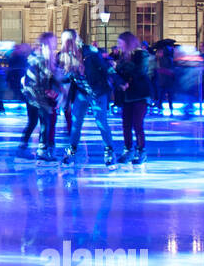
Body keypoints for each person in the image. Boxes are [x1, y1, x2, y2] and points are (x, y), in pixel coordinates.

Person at [59, 30, 117, 167]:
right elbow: (66, 78)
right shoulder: (66, 56)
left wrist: (119, 81)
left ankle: (109, 151)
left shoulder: (90, 52)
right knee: (76, 122)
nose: (66, 45)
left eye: (68, 41)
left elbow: (106, 67)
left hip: (98, 92)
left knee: (101, 122)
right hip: (81, 93)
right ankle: (71, 152)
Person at [21, 33, 60, 162]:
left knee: (34, 122)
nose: (55, 44)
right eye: (53, 42)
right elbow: (40, 78)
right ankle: (41, 149)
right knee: (44, 122)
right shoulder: (40, 59)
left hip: (33, 95)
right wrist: (49, 92)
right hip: (37, 96)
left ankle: (23, 145)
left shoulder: (39, 58)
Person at [115, 31, 151, 163]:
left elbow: (139, 71)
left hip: (140, 94)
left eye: (120, 43)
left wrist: (122, 67)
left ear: (127, 43)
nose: (118, 46)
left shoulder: (141, 54)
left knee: (137, 124)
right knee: (126, 124)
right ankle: (128, 149)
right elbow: (117, 73)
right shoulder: (123, 57)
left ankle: (141, 150)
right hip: (126, 96)